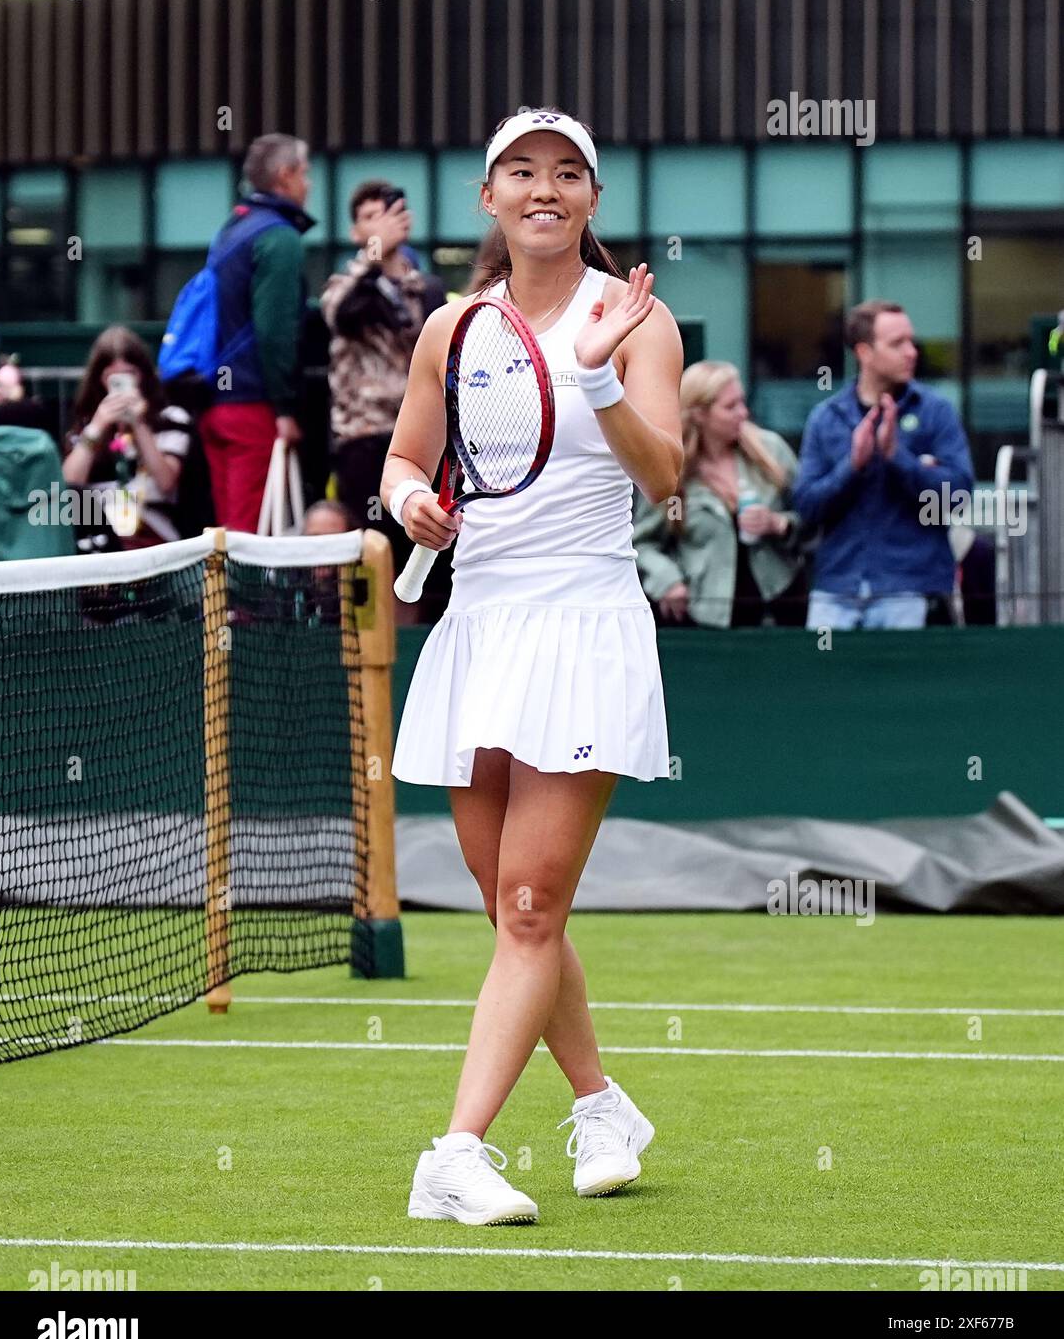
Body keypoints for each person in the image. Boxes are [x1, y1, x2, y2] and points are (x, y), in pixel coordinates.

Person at [382, 106, 683, 1226]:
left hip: (584, 623)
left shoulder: (635, 320)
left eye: (568, 173)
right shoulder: (451, 330)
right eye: (522, 171)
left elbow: (664, 476)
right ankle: (602, 1105)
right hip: (480, 630)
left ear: (592, 200)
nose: (544, 187)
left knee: (527, 902)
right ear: (491, 199)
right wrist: (411, 500)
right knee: (513, 906)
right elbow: (408, 458)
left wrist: (599, 377)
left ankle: (454, 1153)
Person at [792, 299, 974, 629]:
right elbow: (806, 505)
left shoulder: (935, 411)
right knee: (827, 682)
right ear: (864, 352)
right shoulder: (826, 418)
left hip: (911, 589)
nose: (911, 352)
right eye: (897, 343)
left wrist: (897, 458)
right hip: (836, 591)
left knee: (909, 682)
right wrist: (853, 465)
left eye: (911, 341)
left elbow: (959, 495)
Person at [320, 181, 446, 624]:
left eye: (392, 214)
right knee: (374, 552)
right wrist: (374, 257)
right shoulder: (346, 284)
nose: (385, 226)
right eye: (372, 218)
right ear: (356, 231)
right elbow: (340, 313)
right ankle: (372, 656)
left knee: (427, 551)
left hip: (423, 438)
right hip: (366, 438)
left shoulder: (426, 289)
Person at [198, 134, 315, 532]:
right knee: (249, 540)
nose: (310, 184)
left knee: (226, 532)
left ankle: (224, 596)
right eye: (305, 172)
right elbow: (275, 330)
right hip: (254, 407)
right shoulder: (279, 238)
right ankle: (241, 599)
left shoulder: (231, 228)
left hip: (215, 404)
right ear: (285, 176)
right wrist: (285, 408)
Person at [633, 360, 808, 627]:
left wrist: (778, 524)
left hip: (779, 606)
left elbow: (812, 521)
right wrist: (667, 580)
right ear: (700, 414)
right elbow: (642, 543)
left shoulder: (770, 452)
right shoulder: (673, 470)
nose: (743, 412)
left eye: (742, 402)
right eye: (730, 406)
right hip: (706, 615)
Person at [62, 326, 192, 550]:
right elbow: (68, 486)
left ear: (143, 374)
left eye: (129, 375)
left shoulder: (171, 418)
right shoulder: (87, 424)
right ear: (99, 379)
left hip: (153, 539)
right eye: (113, 378)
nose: (122, 384)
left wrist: (139, 425)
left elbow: (167, 482)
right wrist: (98, 426)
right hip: (98, 539)